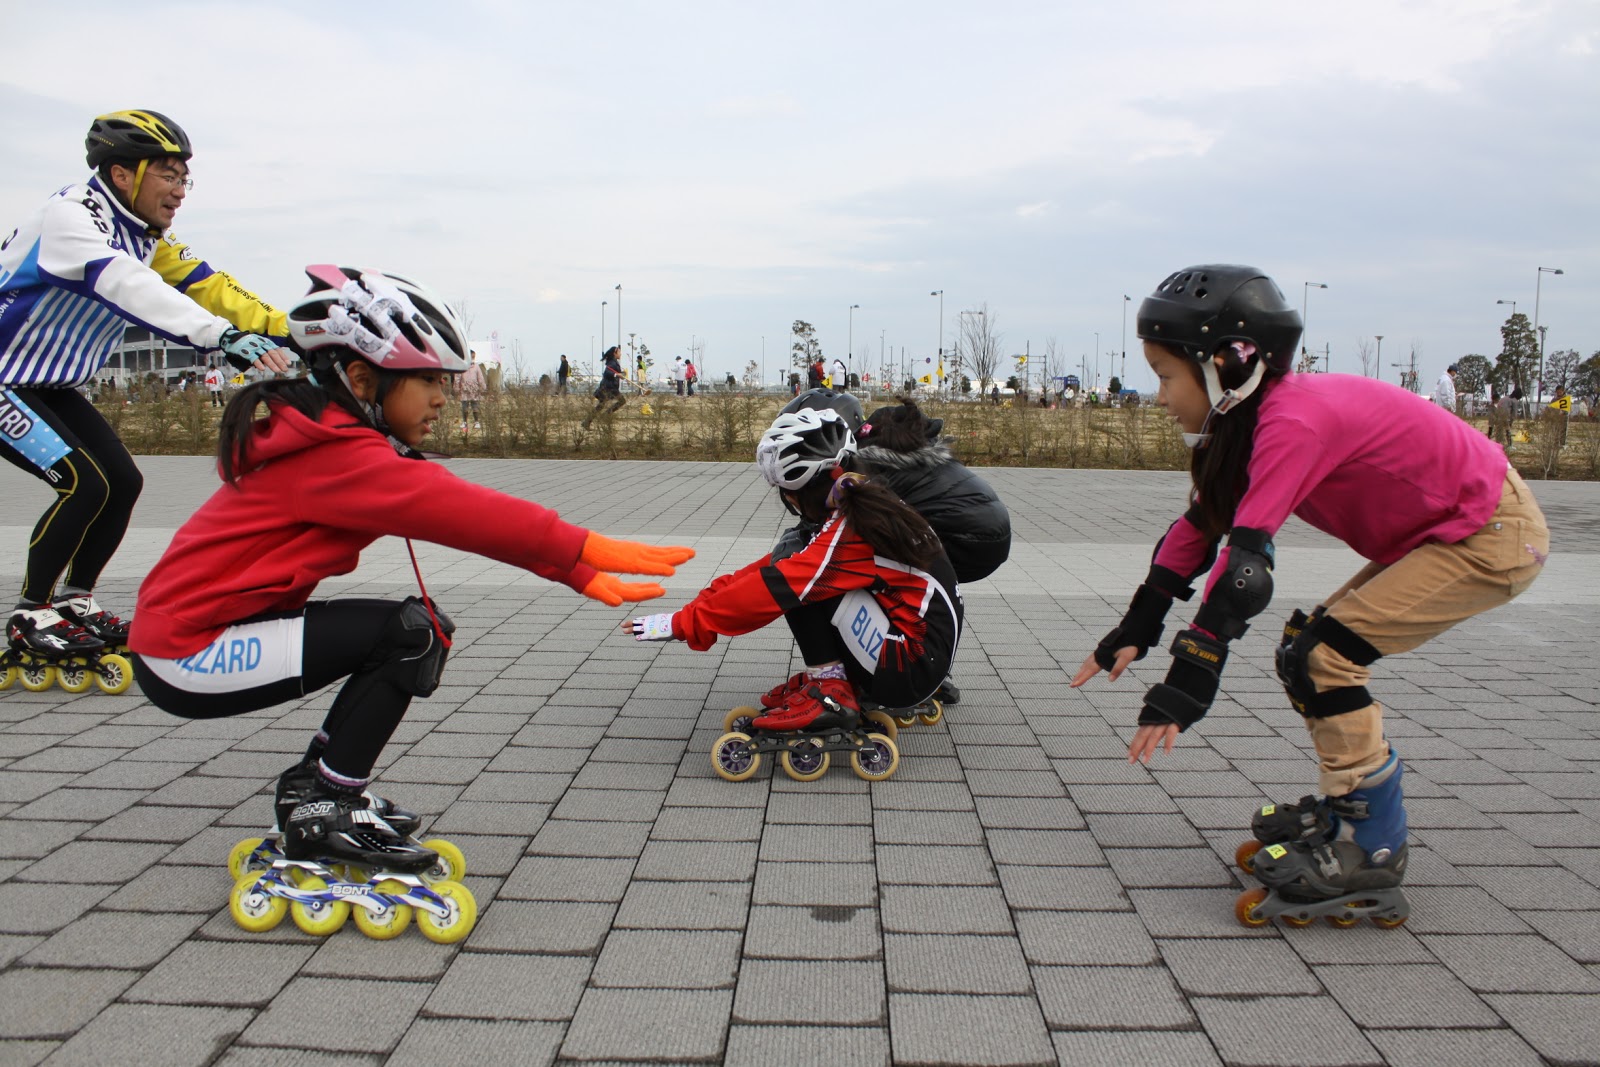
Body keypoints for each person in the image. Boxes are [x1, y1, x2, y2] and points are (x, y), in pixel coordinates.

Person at [127, 264, 693, 906]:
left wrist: (574, 569)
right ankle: (329, 804)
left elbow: (449, 510)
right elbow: (459, 509)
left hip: (194, 639)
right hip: (186, 654)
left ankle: (317, 788)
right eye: (427, 379)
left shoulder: (335, 441)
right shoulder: (335, 455)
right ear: (362, 378)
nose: (442, 398)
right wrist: (578, 548)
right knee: (408, 634)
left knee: (417, 630)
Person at [1071, 264, 1548, 928]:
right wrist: (1138, 625)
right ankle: (1347, 809)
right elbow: (1199, 528)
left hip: (1489, 534)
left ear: (1225, 365)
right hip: (1448, 532)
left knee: (1326, 658)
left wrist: (1187, 684)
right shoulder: (1248, 424)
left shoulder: (1293, 420)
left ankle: (1370, 844)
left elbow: (1244, 571)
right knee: (1306, 652)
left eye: (1165, 375)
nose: (1159, 397)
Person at [1, 110, 291, 675]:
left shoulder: (145, 235)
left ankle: (75, 601)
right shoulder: (71, 219)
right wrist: (220, 337)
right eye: (168, 175)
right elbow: (125, 284)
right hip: (5, 380)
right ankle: (31, 613)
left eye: (185, 179)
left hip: (46, 384)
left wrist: (294, 329)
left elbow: (212, 286)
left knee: (124, 482)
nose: (180, 191)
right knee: (84, 484)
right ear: (121, 174)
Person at [624, 406, 961, 780]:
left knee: (799, 587)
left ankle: (832, 695)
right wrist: (696, 607)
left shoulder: (852, 529)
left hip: (910, 666)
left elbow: (773, 586)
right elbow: (763, 572)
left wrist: (682, 623)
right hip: (919, 651)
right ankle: (834, 680)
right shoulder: (862, 503)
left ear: (804, 491)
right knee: (796, 575)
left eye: (788, 496)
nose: (790, 505)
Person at [582, 345, 626, 427]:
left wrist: (621, 374)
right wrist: (616, 375)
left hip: (610, 387)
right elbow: (607, 373)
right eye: (619, 352)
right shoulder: (612, 363)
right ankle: (605, 415)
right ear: (614, 353)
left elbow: (615, 373)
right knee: (622, 401)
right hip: (609, 388)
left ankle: (587, 422)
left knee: (601, 405)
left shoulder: (614, 362)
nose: (620, 354)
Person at [457, 349, 486, 430]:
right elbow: (458, 378)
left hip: (474, 390)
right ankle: (465, 422)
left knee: (475, 406)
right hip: (465, 389)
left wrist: (482, 387)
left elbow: (480, 378)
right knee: (465, 407)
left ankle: (476, 422)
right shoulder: (462, 366)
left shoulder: (476, 366)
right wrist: (457, 388)